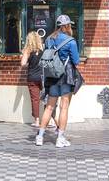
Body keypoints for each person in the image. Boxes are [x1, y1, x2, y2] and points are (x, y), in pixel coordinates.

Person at [35, 14, 81, 147]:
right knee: (64, 107)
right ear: (67, 26)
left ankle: (40, 136)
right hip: (66, 76)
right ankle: (60, 138)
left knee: (49, 107)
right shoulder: (71, 41)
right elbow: (76, 61)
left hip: (51, 75)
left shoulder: (49, 39)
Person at [17, 31, 45, 125]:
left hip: (32, 77)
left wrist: (25, 57)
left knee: (35, 99)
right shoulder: (43, 49)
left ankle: (37, 120)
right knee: (47, 98)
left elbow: (23, 63)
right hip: (43, 77)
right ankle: (50, 119)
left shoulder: (28, 50)